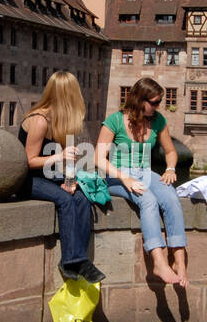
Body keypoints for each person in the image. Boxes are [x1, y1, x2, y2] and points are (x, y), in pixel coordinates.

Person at [96, 76, 188, 288]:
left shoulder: (158, 121)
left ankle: (180, 262)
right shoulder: (115, 120)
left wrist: (171, 168)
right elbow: (98, 159)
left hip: (144, 172)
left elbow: (171, 151)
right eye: (154, 103)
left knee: (171, 197)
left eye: (159, 103)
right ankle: (158, 262)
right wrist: (125, 178)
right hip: (116, 175)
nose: (157, 107)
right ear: (139, 100)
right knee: (147, 200)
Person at [19, 71, 106, 284]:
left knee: (82, 198)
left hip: (50, 176)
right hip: (26, 179)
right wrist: (59, 156)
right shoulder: (40, 120)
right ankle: (70, 260)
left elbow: (68, 161)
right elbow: (28, 160)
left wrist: (69, 181)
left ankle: (79, 258)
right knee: (65, 200)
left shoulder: (62, 120)